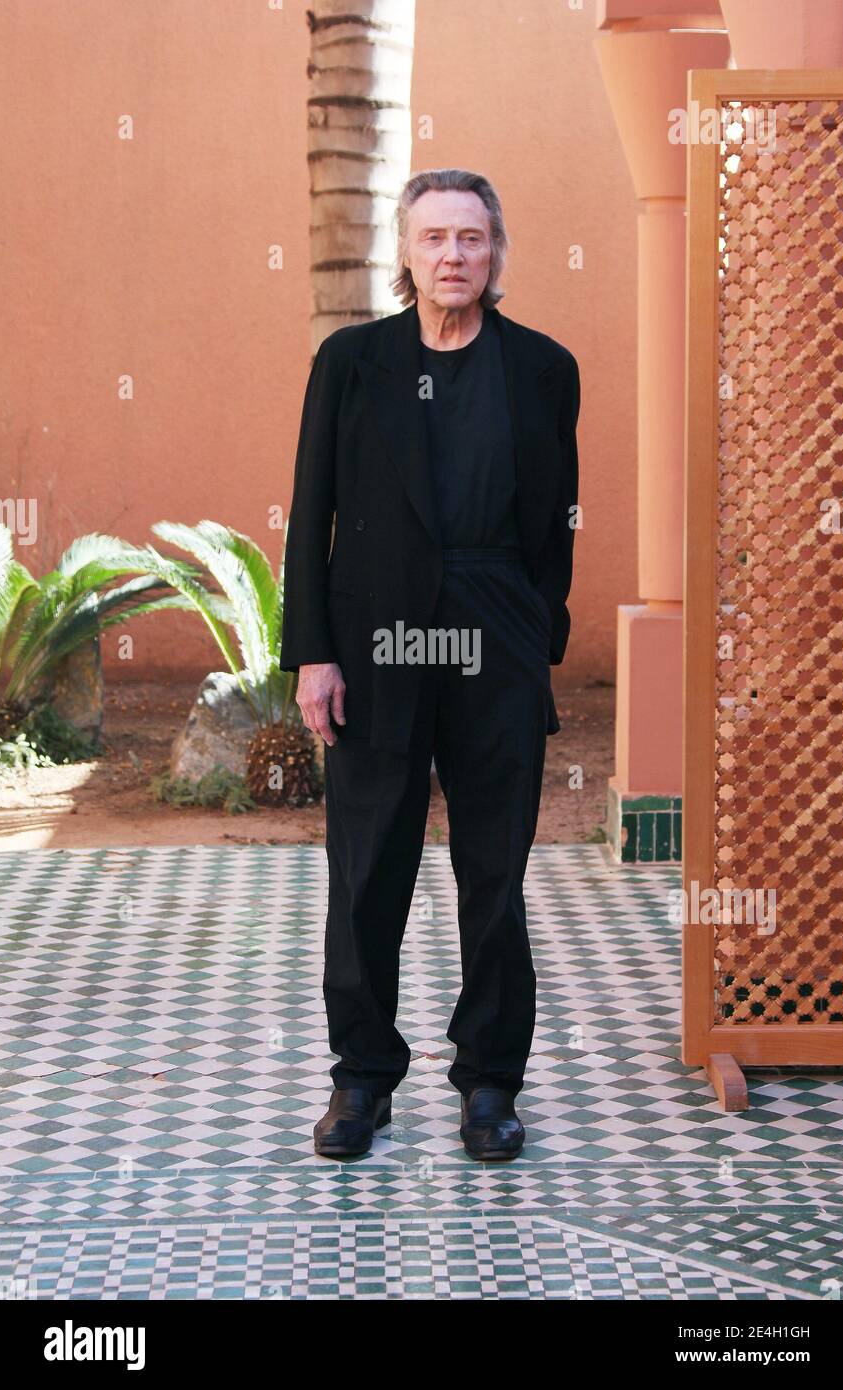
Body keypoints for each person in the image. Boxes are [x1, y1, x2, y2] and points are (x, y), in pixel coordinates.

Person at [280, 167, 581, 1160]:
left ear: (496, 252)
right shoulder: (351, 361)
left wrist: (538, 634)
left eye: (471, 238)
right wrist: (314, 651)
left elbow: (552, 523)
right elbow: (310, 512)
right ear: (405, 254)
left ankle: (489, 1081)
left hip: (493, 633)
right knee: (368, 871)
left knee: (493, 874)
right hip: (375, 640)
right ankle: (360, 1080)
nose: (454, 255)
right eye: (435, 238)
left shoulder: (542, 368)